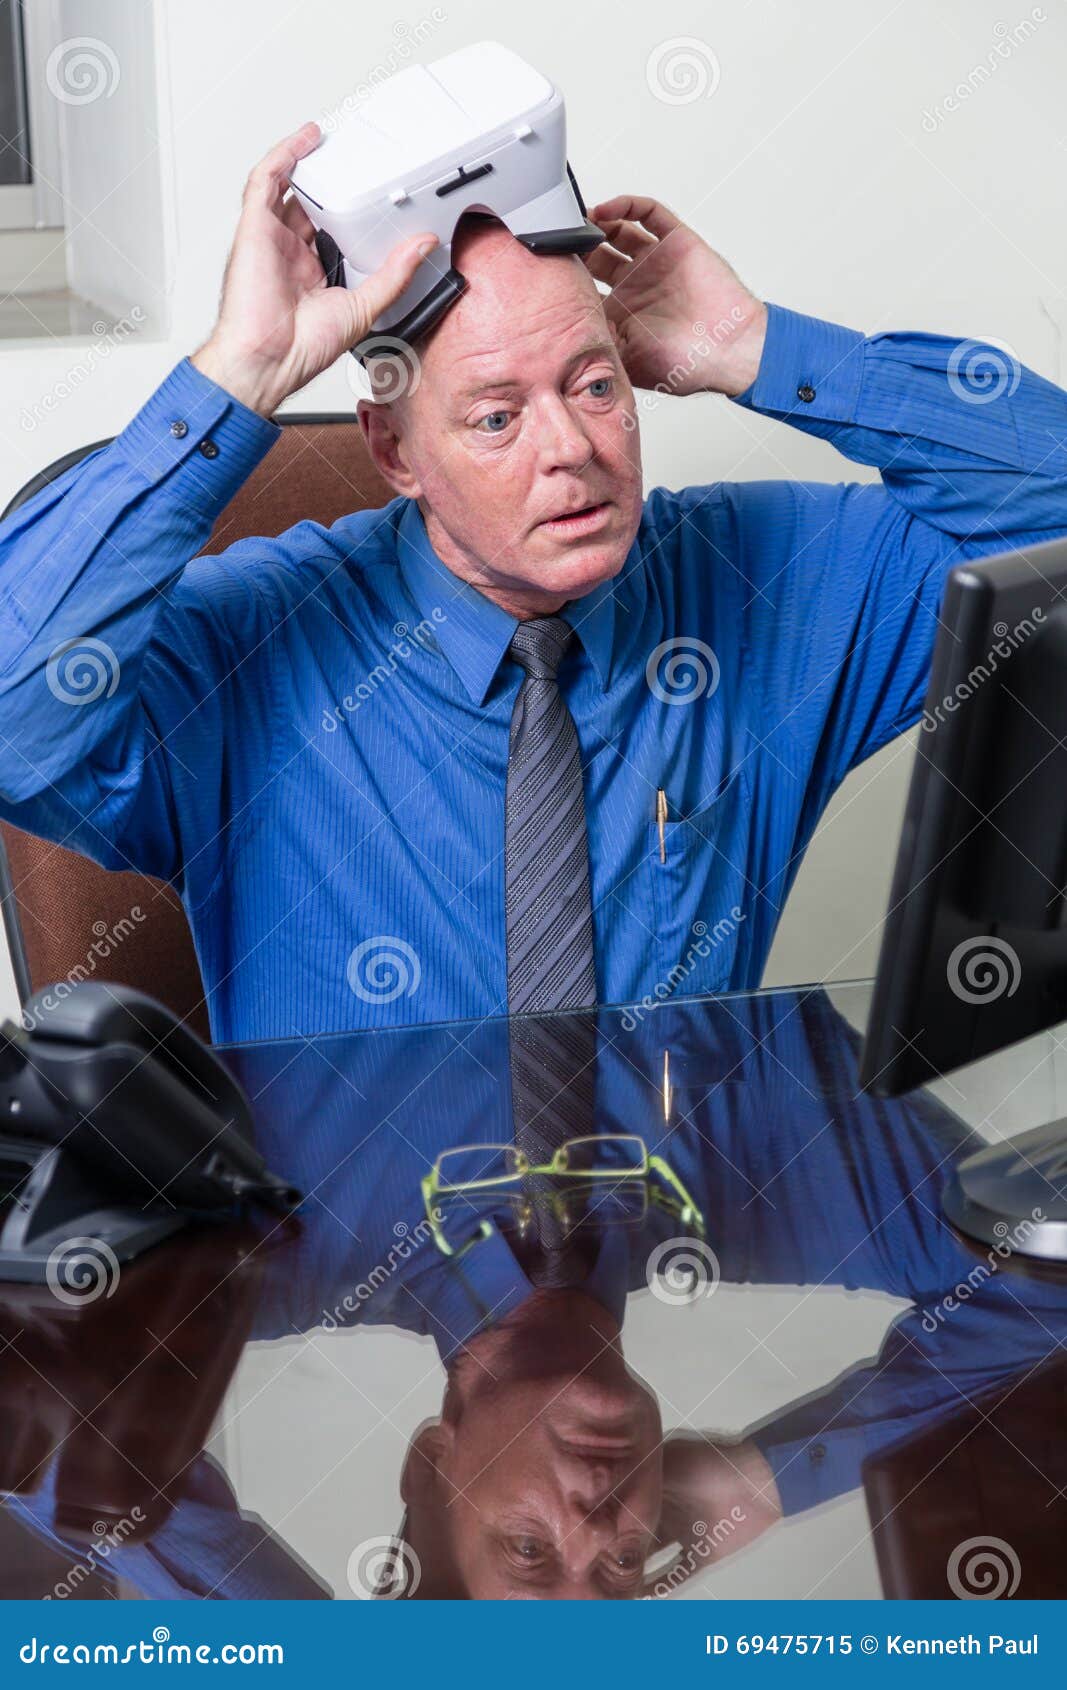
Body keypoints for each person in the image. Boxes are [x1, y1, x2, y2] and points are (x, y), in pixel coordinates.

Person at [1, 119, 1066, 1043]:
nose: (570, 449)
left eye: (594, 386)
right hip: (349, 1216)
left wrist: (756, 346)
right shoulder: (253, 642)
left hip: (675, 1204)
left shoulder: (756, 583)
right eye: (497, 416)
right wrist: (237, 375)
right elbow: (14, 714)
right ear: (394, 451)